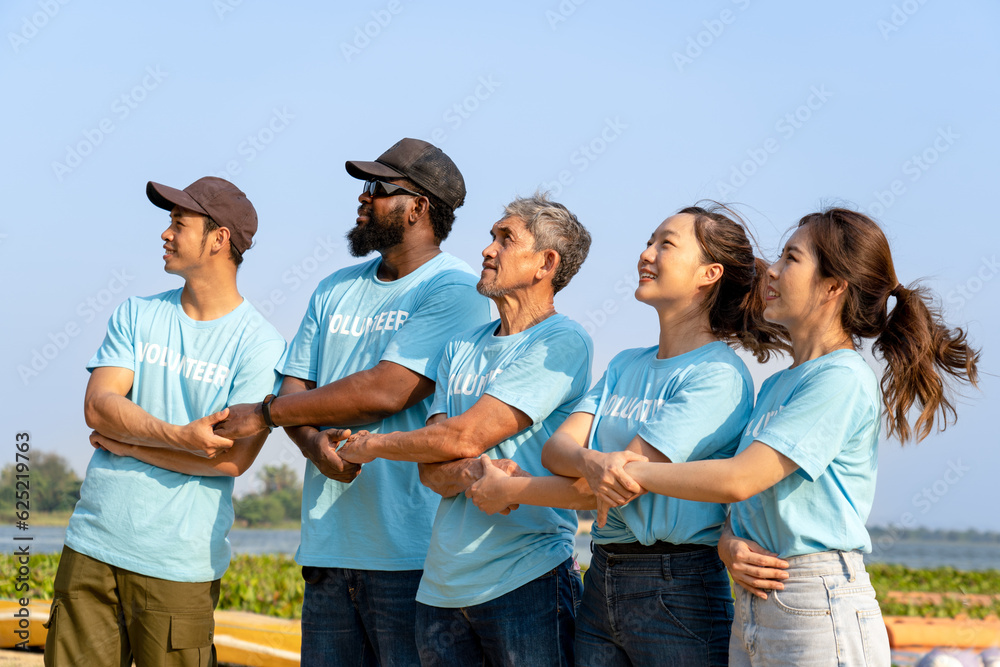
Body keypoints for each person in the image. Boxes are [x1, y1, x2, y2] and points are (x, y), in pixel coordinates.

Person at [609, 208, 980, 666]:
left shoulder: (841, 379)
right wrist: (728, 543)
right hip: (756, 604)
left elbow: (739, 478)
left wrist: (626, 471)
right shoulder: (776, 386)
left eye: (791, 258)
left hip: (817, 602)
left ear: (832, 286)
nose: (772, 270)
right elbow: (741, 502)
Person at [213, 138, 490, 666]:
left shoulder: (454, 289)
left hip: (410, 554)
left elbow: (387, 391)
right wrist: (314, 444)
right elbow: (295, 385)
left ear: (419, 207)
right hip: (327, 548)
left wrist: (269, 414)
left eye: (378, 188)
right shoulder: (333, 287)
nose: (362, 199)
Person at [474, 205, 784, 666]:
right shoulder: (624, 364)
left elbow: (624, 483)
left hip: (678, 587)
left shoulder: (716, 374)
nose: (645, 254)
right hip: (601, 577)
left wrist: (508, 489)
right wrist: (593, 463)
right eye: (649, 241)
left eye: (666, 245)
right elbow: (560, 449)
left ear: (709, 273)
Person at [338, 193, 594, 666]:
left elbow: (460, 437)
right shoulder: (459, 348)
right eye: (491, 237)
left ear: (546, 263)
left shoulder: (562, 340)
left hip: (528, 581)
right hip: (440, 590)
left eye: (505, 239)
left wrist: (372, 445)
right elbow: (430, 473)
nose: (487, 249)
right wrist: (479, 472)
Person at [44, 177, 286, 667]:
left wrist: (129, 444)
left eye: (179, 223)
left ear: (218, 240)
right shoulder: (136, 314)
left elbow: (230, 461)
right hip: (91, 549)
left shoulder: (261, 345)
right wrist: (181, 438)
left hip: (179, 566)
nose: (165, 234)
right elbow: (98, 407)